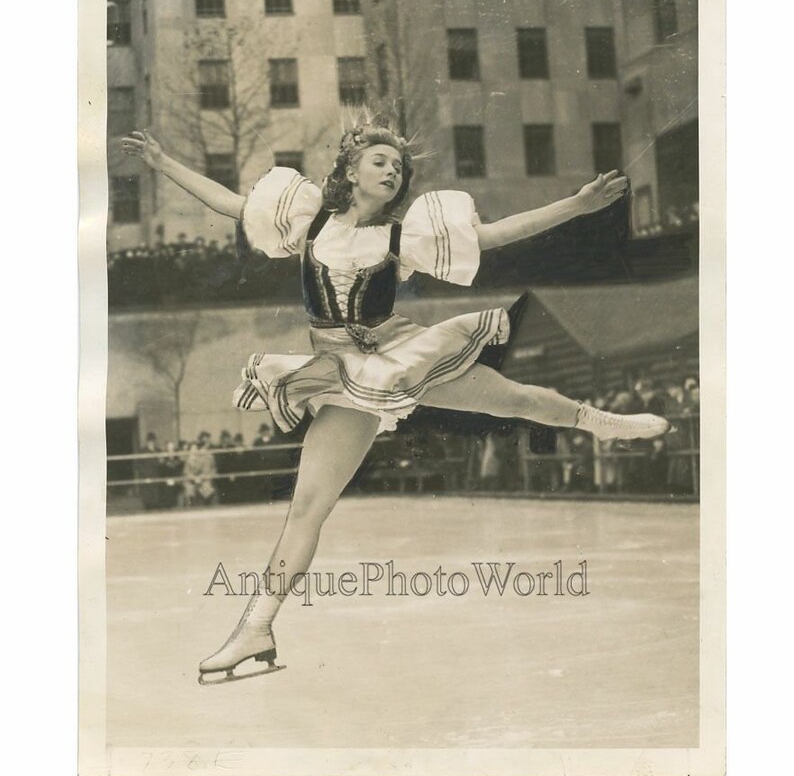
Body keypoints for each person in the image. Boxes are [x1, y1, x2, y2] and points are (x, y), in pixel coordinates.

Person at [122, 116, 669, 684]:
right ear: (351, 169)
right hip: (340, 374)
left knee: (509, 399)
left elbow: (494, 235)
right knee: (307, 508)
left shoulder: (402, 235)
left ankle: (597, 421)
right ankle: (256, 627)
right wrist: (164, 164)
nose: (392, 172)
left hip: (400, 353)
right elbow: (235, 205)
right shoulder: (306, 220)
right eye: (381, 161)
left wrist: (575, 207)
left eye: (399, 167)